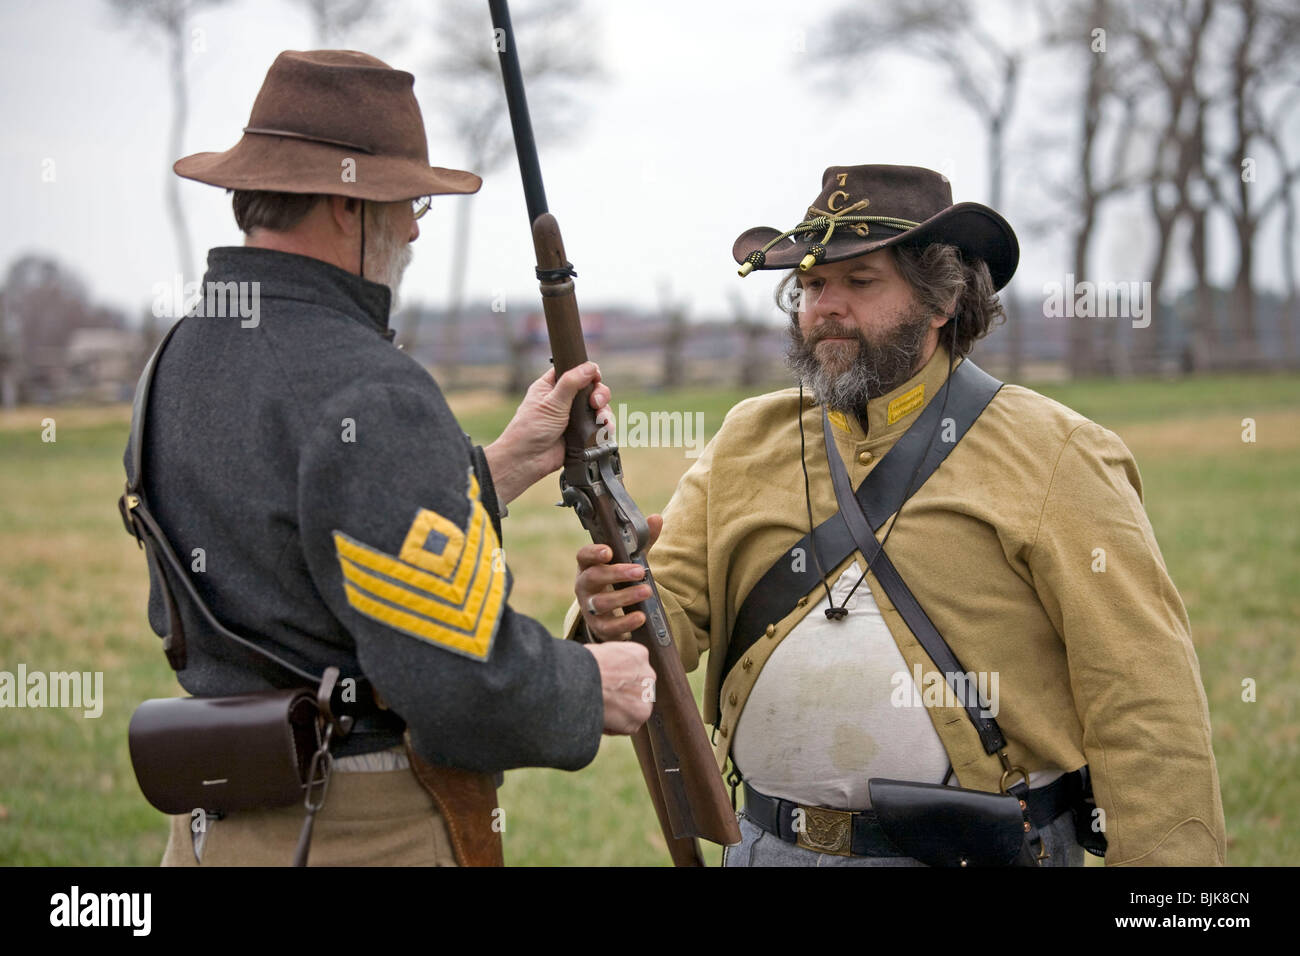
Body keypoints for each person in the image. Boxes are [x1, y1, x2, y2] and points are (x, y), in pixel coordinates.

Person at [574, 164, 1226, 866]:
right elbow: (667, 621)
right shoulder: (745, 439)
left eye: (860, 283)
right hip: (767, 849)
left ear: (940, 300)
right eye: (813, 284)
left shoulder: (1060, 453)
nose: (826, 305)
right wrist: (613, 606)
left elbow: (1146, 706)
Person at [124, 50, 654, 867]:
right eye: (407, 201)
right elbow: (458, 683)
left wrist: (504, 462)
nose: (411, 225)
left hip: (213, 835)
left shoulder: (177, 359)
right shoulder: (371, 389)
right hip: (359, 833)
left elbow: (320, 535)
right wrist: (592, 685)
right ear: (346, 202)